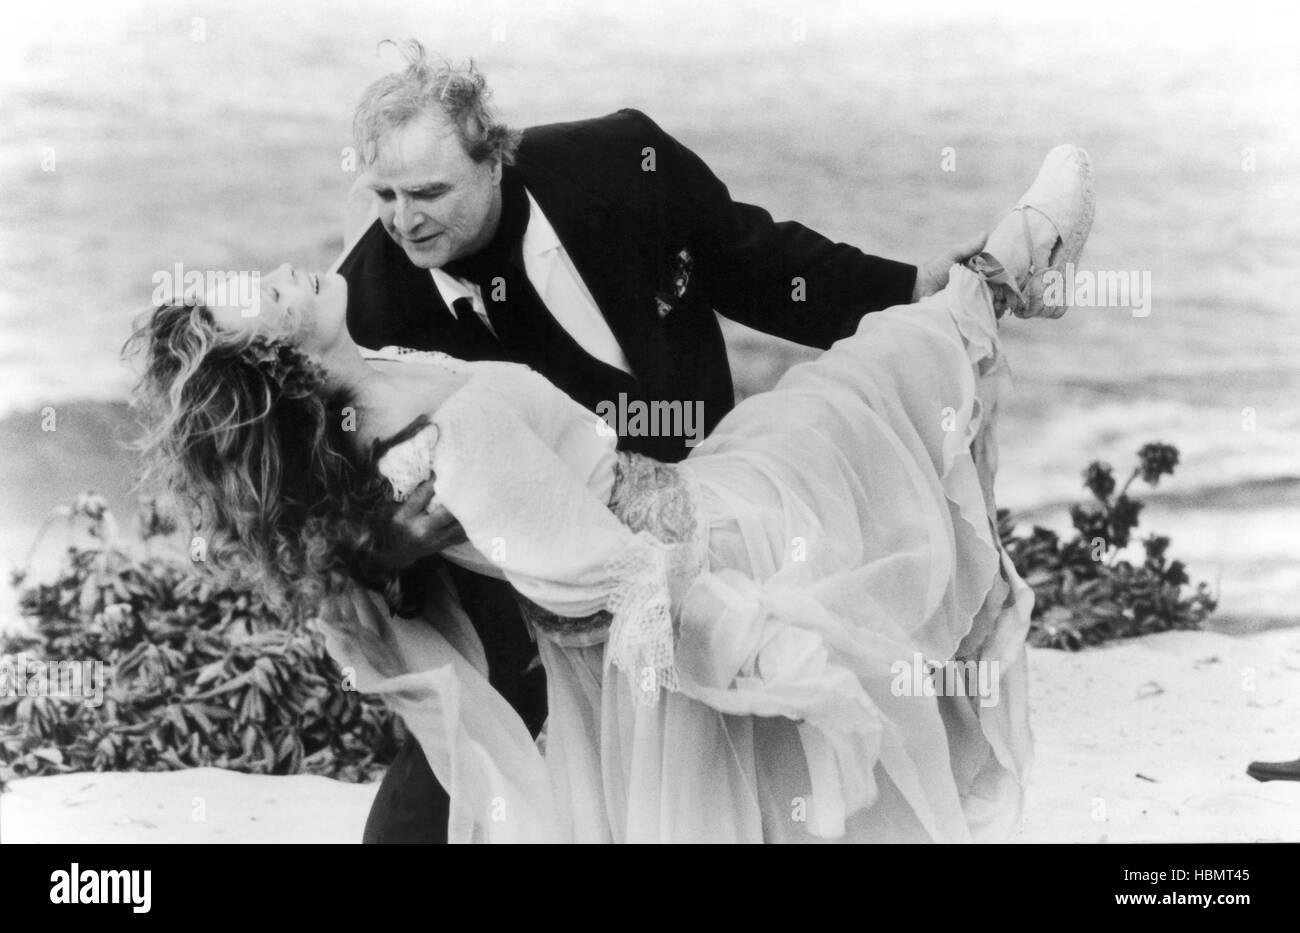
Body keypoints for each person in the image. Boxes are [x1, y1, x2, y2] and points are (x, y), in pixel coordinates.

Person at [128, 143, 1094, 842]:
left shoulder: (364, 368)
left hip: (684, 499)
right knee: (874, 389)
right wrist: (764, 642)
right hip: (703, 546)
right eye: (261, 296)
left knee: (862, 392)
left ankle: (1005, 266)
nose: (281, 274)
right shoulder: (434, 438)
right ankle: (1015, 257)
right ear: (280, 360)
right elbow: (606, 574)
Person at [335, 40, 988, 842]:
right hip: (534, 564)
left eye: (428, 191)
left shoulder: (623, 159)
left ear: (495, 159)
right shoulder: (367, 306)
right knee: (488, 723)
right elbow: (336, 505)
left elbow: (757, 261)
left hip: (697, 495)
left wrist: (909, 288)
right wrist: (386, 546)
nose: (404, 219)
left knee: (755, 716)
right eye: (386, 195)